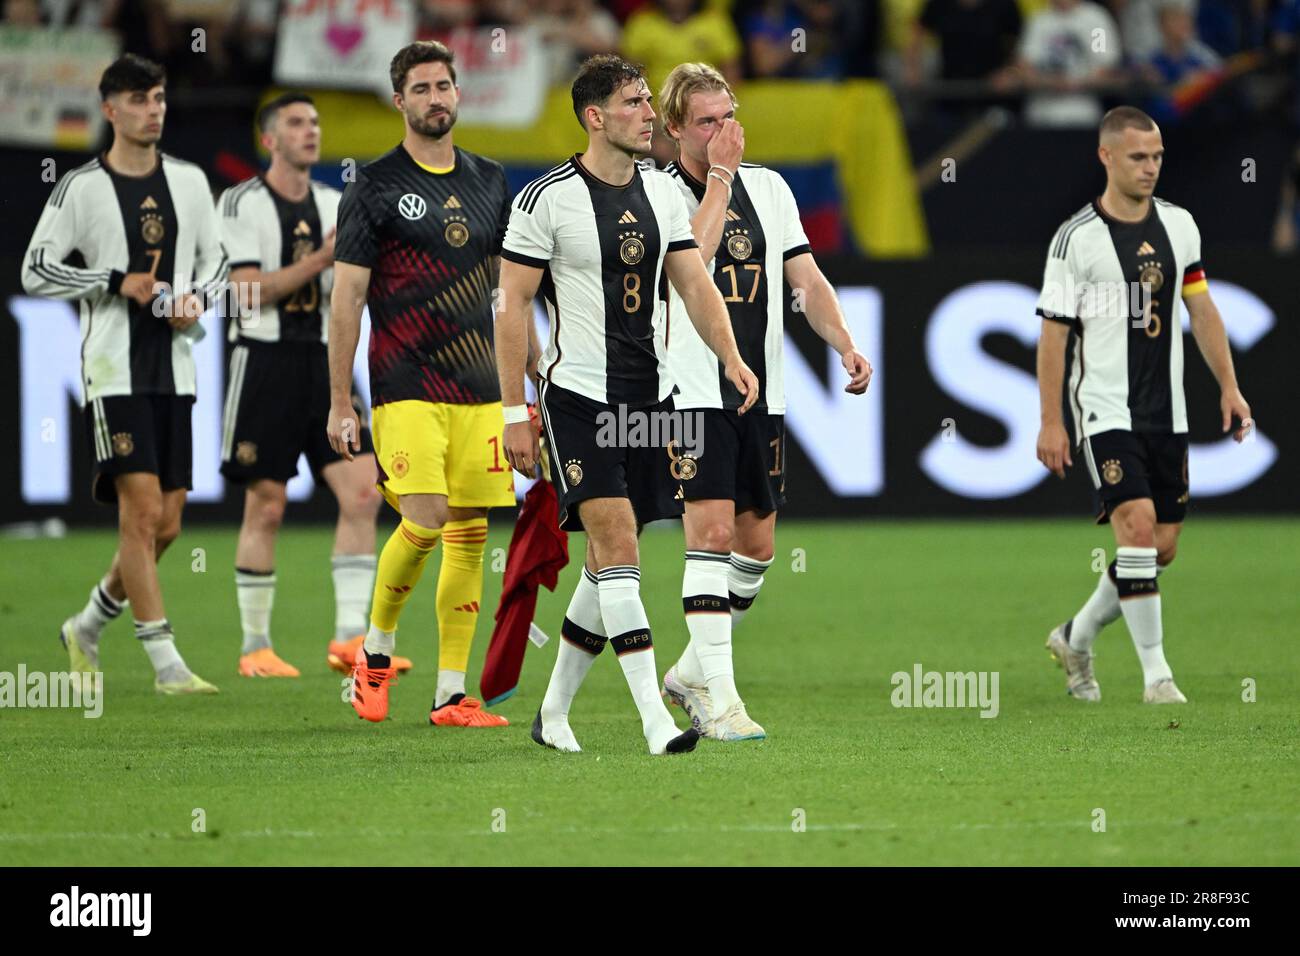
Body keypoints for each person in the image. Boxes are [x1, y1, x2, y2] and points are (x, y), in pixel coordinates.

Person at [495, 54, 759, 755]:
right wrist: (513, 410)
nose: (649, 114)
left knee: (607, 562)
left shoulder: (662, 193)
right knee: (618, 545)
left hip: (652, 398)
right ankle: (655, 720)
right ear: (595, 116)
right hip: (577, 396)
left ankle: (552, 714)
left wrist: (730, 355)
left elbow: (695, 285)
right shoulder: (544, 199)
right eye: (636, 103)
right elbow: (513, 303)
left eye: (648, 101)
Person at [658, 62, 872, 740]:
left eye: (729, 116)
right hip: (689, 390)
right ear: (674, 129)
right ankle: (721, 702)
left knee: (756, 546)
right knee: (712, 534)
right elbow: (696, 255)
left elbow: (806, 280)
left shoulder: (772, 190)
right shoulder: (656, 194)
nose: (725, 132)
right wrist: (719, 177)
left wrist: (842, 342)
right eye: (707, 122)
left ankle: (692, 669)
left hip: (762, 389)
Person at [1035, 105, 1253, 703]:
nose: (1150, 167)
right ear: (1106, 157)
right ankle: (1158, 677)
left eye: (1157, 156)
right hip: (1104, 407)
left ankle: (1075, 636)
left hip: (1169, 411)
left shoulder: (1181, 226)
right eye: (1138, 156)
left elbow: (1201, 310)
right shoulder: (1075, 239)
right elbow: (1053, 334)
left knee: (1161, 547)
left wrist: (1229, 388)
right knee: (1134, 530)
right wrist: (1052, 420)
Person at [326, 41, 516, 728]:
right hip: (405, 380)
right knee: (426, 518)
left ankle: (450, 694)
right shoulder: (372, 186)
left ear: (458, 95)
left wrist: (528, 379)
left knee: (470, 531)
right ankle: (373, 655)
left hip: (481, 386)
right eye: (422, 88)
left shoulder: (492, 180)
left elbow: (509, 290)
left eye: (445, 85)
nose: (436, 98)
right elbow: (346, 299)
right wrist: (340, 399)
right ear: (399, 100)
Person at [22, 54, 225, 694]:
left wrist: (200, 298)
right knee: (139, 515)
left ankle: (85, 624)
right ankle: (166, 664)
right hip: (113, 370)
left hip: (179, 367)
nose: (153, 109)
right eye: (139, 99)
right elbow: (36, 269)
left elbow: (219, 264)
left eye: (160, 97)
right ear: (110, 110)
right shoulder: (81, 187)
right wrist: (114, 282)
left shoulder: (190, 182)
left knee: (167, 525)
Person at [218, 92, 384, 679]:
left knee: (364, 493)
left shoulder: (335, 201)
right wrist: (321, 260)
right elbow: (246, 291)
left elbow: (362, 281)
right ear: (270, 138)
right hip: (263, 362)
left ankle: (349, 640)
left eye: (314, 122)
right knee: (267, 504)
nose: (310, 131)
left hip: (325, 362)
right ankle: (255, 645)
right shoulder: (240, 203)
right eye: (295, 122)